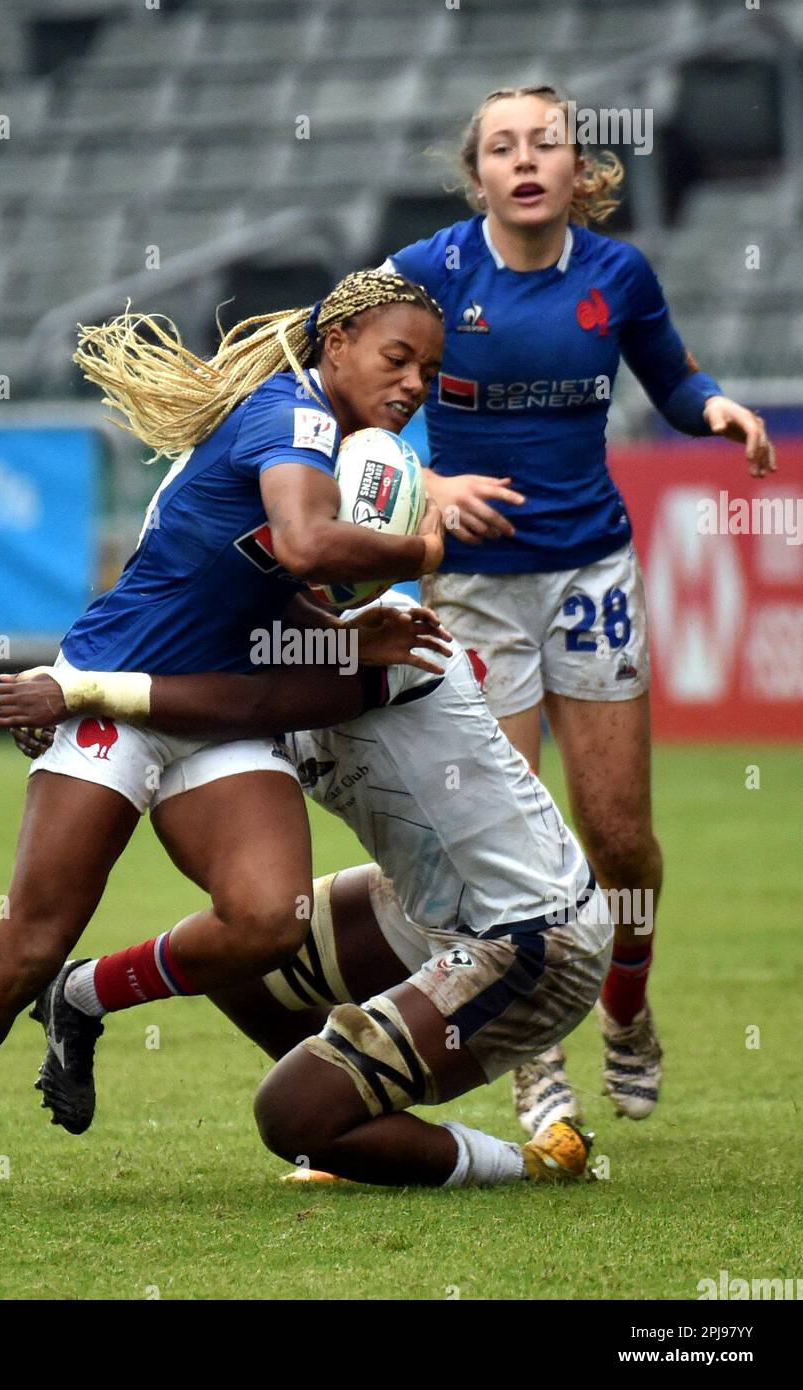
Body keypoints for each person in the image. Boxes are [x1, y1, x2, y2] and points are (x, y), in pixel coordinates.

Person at [0, 269, 450, 1200]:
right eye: (398, 357)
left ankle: (83, 996)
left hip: (207, 705)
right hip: (112, 695)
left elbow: (257, 579)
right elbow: (301, 546)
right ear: (337, 346)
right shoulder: (292, 420)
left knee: (268, 920)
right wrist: (424, 550)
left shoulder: (317, 431)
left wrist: (342, 634)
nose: (414, 383)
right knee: (29, 940)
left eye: (430, 369)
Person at [380, 85, 777, 1132]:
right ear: (475, 176)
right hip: (471, 587)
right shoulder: (427, 274)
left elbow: (672, 377)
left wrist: (718, 409)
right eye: (499, 145)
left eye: (542, 143)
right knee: (500, 847)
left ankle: (628, 1010)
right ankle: (531, 1063)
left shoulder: (615, 273)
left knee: (618, 842)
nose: (522, 159)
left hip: (589, 577)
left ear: (576, 172)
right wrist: (425, 489)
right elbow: (343, 390)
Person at [0, 589, 614, 1189]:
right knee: (241, 953)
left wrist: (82, 694)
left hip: (533, 936)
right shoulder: (265, 641)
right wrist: (66, 707)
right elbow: (184, 708)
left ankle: (524, 1167)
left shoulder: (390, 633)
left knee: (290, 1115)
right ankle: (356, 1130)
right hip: (422, 909)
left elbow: (228, 704)